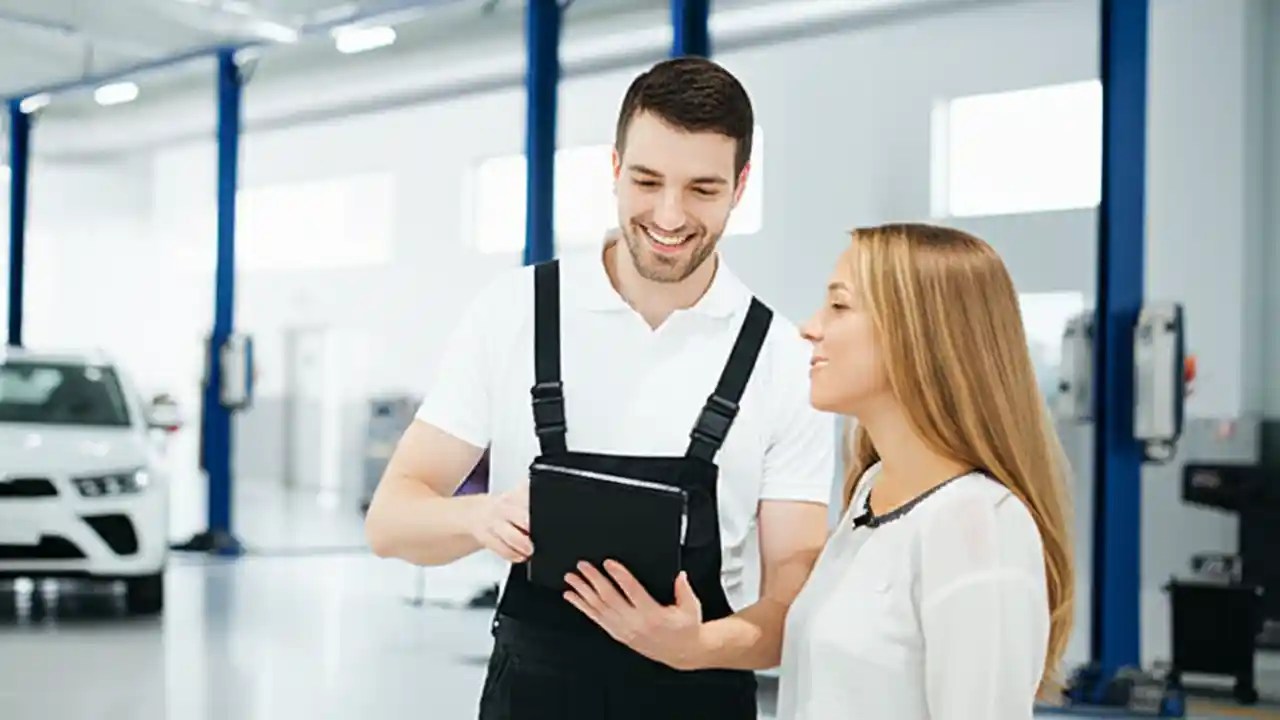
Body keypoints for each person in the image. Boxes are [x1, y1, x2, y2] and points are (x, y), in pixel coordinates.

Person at [364, 56, 835, 720]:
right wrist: (479, 517)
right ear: (614, 168)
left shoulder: (780, 357)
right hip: (532, 693)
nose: (669, 216)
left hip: (699, 697)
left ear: (741, 184)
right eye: (647, 181)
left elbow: (793, 606)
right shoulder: (514, 312)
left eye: (702, 189)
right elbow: (391, 521)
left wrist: (694, 646)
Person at [776, 223, 1075, 720]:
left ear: (917, 334)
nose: (810, 326)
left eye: (839, 306)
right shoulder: (873, 491)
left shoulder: (980, 523)